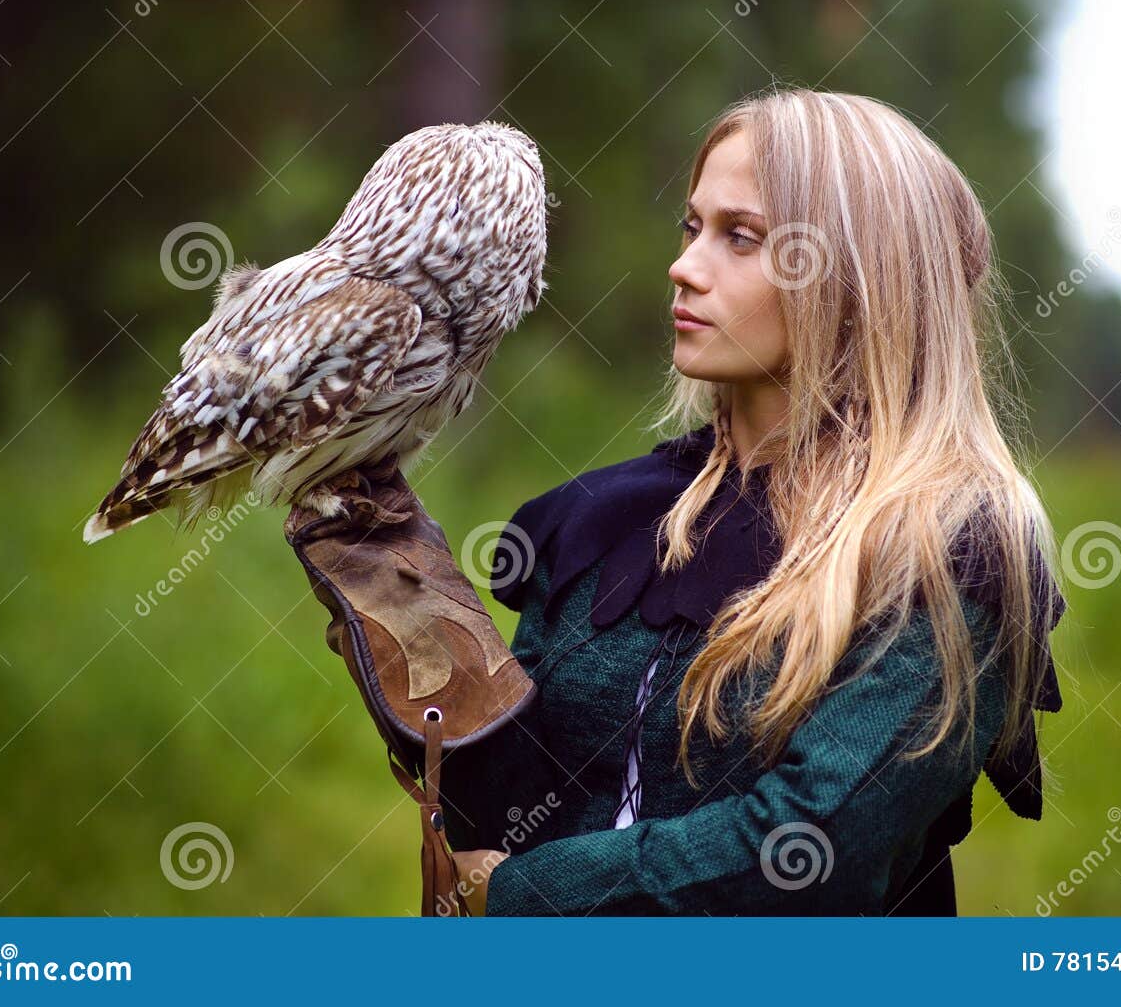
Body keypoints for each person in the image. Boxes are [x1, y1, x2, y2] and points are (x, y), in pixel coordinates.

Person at [442, 87, 1066, 915]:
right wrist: (436, 682)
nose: (685, 265)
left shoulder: (949, 539)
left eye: (741, 237)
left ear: (859, 272)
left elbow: (816, 847)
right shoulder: (603, 519)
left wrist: (530, 898)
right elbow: (514, 811)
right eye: (692, 227)